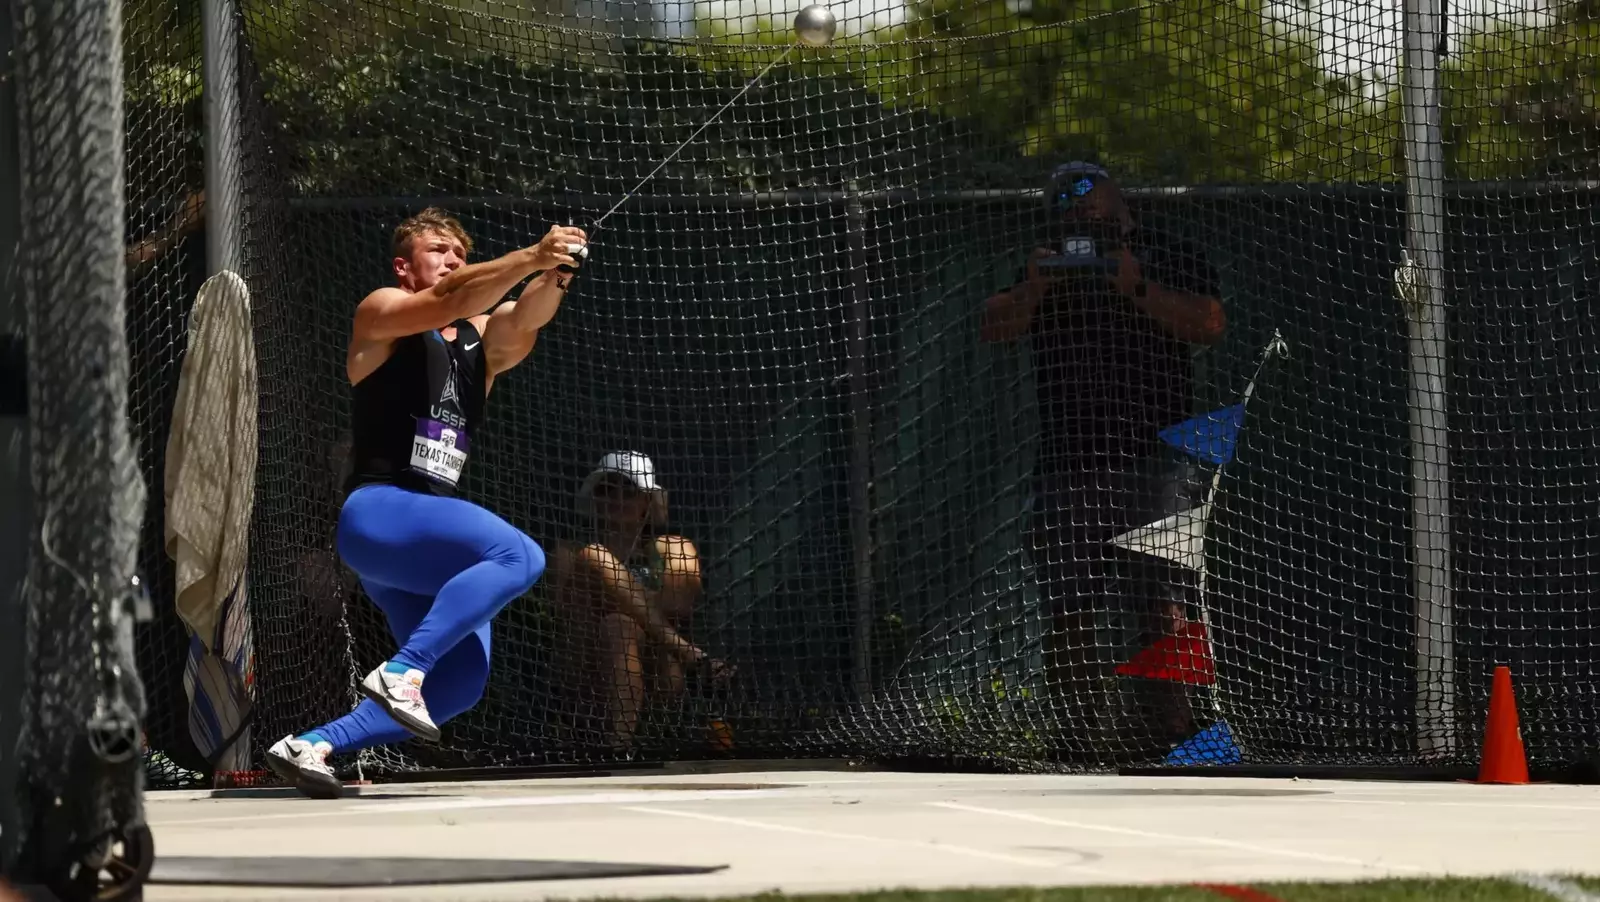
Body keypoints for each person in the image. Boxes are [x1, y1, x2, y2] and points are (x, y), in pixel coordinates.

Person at [265, 207, 587, 797]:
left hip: (427, 544)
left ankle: (313, 746)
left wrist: (557, 273)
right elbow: (449, 300)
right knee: (521, 557)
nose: (452, 260)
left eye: (460, 253)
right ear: (403, 266)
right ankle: (402, 670)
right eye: (438, 250)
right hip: (380, 513)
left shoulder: (484, 338)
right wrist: (530, 258)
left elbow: (526, 316)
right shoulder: (383, 310)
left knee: (462, 680)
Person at [979, 161, 1226, 761]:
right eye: (1066, 198)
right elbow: (994, 325)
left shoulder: (1164, 252)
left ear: (1118, 195)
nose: (1079, 205)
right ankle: (1075, 740)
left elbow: (1210, 324)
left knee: (1165, 600)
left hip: (1159, 458)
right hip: (1071, 460)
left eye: (1090, 191)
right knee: (1069, 607)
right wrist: (1037, 287)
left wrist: (1135, 287)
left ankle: (1173, 736)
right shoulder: (1046, 262)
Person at [550, 451, 730, 751]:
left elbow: (679, 605)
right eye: (607, 489)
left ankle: (620, 746)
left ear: (648, 502)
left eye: (629, 490)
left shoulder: (672, 548)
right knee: (597, 563)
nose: (617, 499)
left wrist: (615, 591)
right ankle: (689, 656)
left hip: (660, 676)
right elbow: (570, 620)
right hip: (584, 680)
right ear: (594, 498)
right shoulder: (569, 553)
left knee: (620, 624)